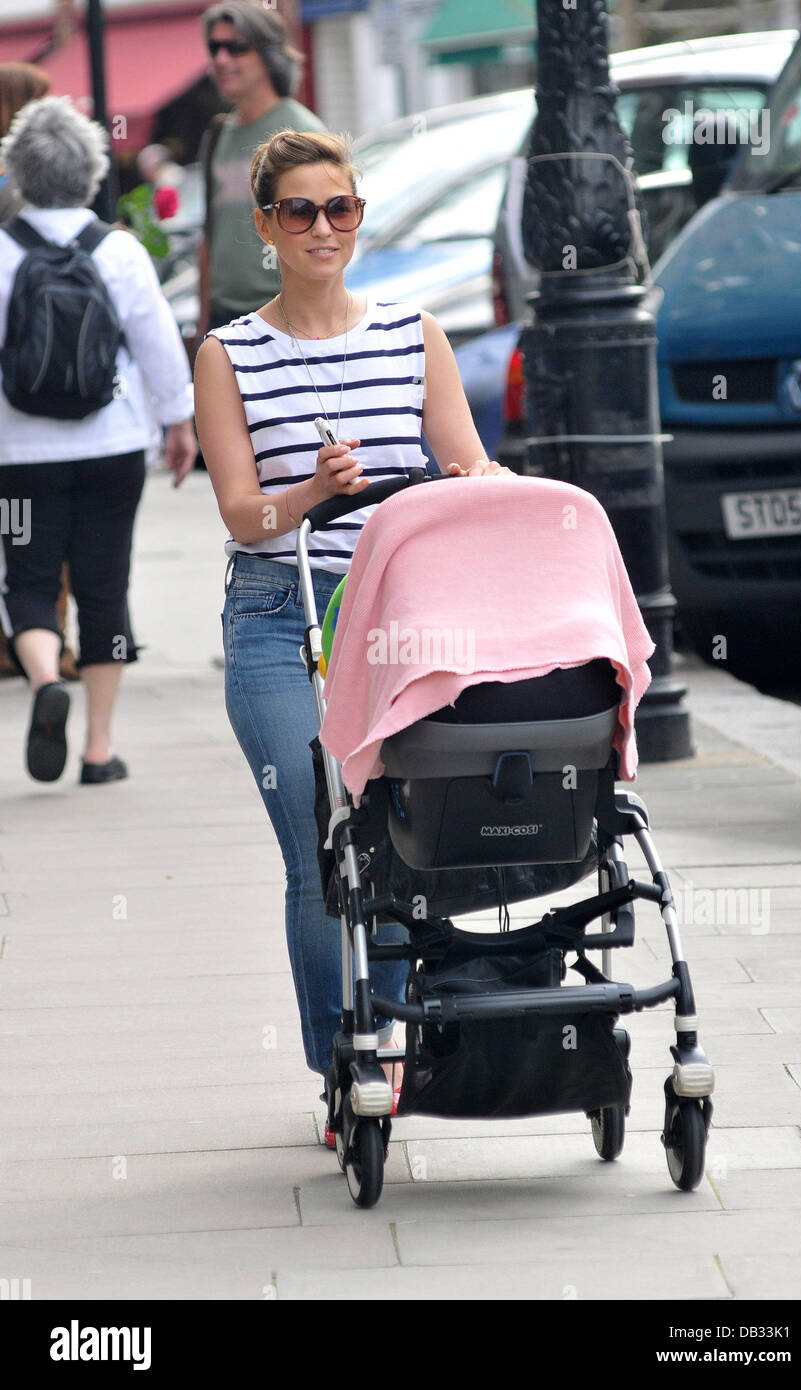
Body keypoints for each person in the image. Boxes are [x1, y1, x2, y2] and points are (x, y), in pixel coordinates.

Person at [193, 128, 511, 1133]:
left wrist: (485, 484)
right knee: (316, 845)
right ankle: (343, 1057)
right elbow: (242, 516)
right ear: (266, 229)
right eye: (299, 212)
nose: (322, 228)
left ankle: (399, 1039)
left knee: (403, 839)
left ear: (358, 217)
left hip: (395, 614)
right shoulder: (230, 352)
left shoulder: (412, 332)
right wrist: (310, 493)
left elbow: (463, 464)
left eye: (340, 209)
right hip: (278, 615)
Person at [0, 95, 196, 784]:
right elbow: (159, 348)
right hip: (112, 447)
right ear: (88, 173)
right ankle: (98, 748)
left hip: (19, 456)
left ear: (18, 171)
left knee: (26, 579)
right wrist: (178, 424)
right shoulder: (119, 249)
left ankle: (46, 675)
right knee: (104, 586)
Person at [198, 1, 325, 336]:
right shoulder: (216, 134)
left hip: (285, 318)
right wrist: (203, 324)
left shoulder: (300, 131)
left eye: (236, 47)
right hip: (224, 319)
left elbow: (323, 230)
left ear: (269, 54)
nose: (222, 59)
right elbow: (209, 236)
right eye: (215, 47)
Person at [0, 61, 50, 679]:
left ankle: (19, 640)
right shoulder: (24, 177)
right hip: (38, 373)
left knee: (19, 530)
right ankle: (49, 644)